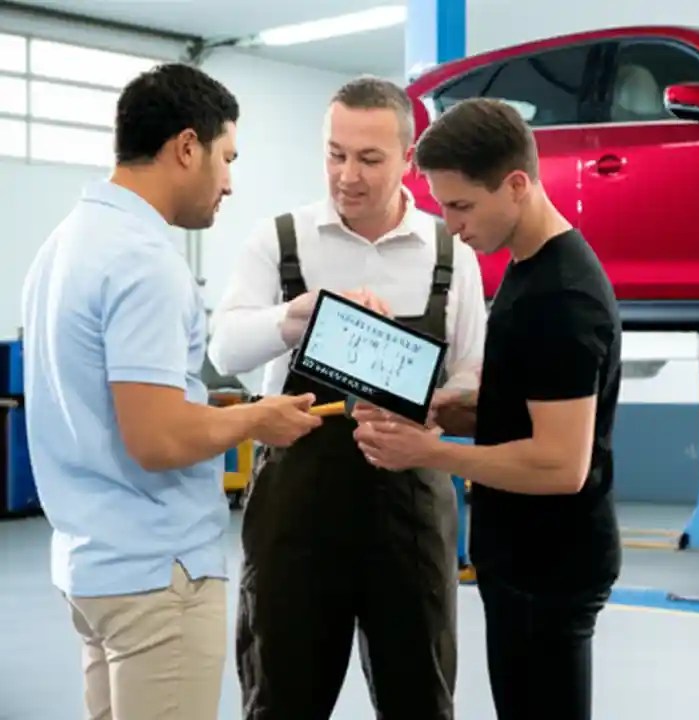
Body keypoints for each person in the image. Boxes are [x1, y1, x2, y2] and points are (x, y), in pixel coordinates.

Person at [19, 63, 323, 720]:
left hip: (93, 566)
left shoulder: (67, 244)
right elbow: (156, 439)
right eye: (226, 158)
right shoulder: (146, 260)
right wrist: (255, 421)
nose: (229, 183)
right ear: (188, 146)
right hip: (158, 575)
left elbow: (109, 403)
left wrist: (217, 410)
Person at [206, 76, 487, 720]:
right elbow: (222, 351)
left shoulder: (450, 254)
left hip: (412, 513)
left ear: (407, 161)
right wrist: (293, 318)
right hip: (296, 512)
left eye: (368, 159)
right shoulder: (280, 241)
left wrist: (424, 400)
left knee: (420, 696)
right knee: (282, 697)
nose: (347, 176)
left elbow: (472, 376)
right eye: (335, 154)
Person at [352, 97, 624, 720]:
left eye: (461, 206)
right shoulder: (531, 271)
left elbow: (560, 464)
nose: (450, 225)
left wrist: (429, 452)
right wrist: (450, 409)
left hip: (548, 570)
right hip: (523, 561)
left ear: (517, 184)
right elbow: (529, 410)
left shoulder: (561, 298)